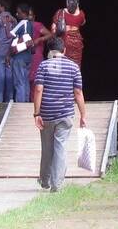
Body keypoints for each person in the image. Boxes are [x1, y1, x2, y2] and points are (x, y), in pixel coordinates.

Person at [32, 35, 85, 192]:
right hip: (65, 114)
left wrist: (36, 114)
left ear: (49, 50)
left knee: (47, 148)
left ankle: (45, 181)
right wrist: (83, 114)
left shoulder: (43, 66)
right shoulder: (73, 67)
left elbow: (38, 89)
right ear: (64, 50)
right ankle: (57, 184)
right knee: (60, 147)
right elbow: (78, 92)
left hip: (47, 114)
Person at [10, 4, 35, 103]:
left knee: (19, 82)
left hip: (20, 57)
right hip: (27, 57)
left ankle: (20, 104)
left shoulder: (22, 22)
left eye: (18, 12)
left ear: (24, 13)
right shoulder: (30, 24)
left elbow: (10, 34)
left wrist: (6, 24)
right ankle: (25, 104)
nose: (17, 14)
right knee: (25, 82)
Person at [52, 0, 86, 67]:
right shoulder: (81, 14)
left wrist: (54, 39)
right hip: (76, 43)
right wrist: (78, 8)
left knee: (61, 64)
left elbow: (53, 28)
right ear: (77, 4)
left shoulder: (60, 12)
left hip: (63, 41)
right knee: (75, 65)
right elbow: (83, 23)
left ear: (67, 2)